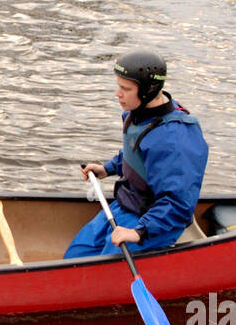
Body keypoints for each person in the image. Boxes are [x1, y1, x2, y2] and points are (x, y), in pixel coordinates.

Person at [65, 50, 208, 259]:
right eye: (118, 86)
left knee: (99, 269)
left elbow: (178, 203)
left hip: (155, 221)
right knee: (75, 256)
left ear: (148, 91)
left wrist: (139, 232)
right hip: (127, 206)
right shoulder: (139, 115)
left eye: (126, 88)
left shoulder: (176, 139)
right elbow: (136, 153)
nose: (118, 93)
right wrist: (108, 168)